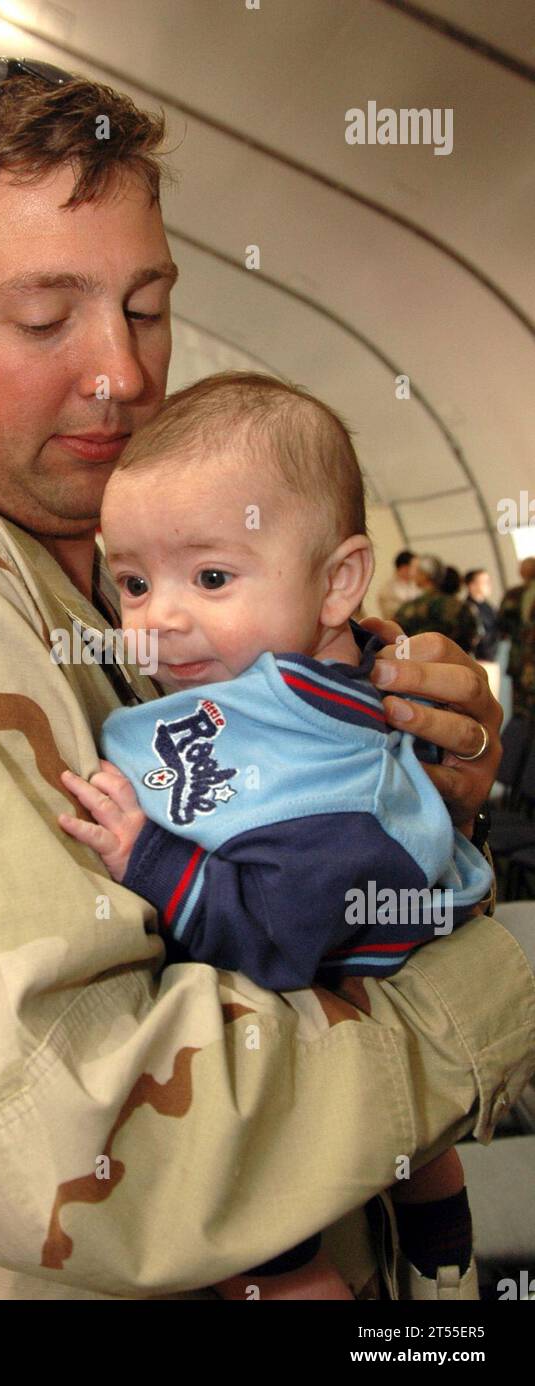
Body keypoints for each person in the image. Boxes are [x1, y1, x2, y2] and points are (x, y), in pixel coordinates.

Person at [0, 58, 533, 1302]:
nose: (120, 372)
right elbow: (68, 1140)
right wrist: (470, 992)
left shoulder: (104, 570)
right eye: (44, 319)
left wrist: (402, 791)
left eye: (144, 306)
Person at [58, 372, 491, 1300]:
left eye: (210, 577)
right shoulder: (319, 687)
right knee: (419, 1139)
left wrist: (149, 857)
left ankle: (401, 1267)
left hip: (309, 972)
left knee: (255, 1241)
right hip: (379, 1012)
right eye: (132, 582)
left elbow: (272, 933)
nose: (159, 617)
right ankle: (441, 1252)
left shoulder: (313, 781)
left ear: (338, 582)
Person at [396, 556, 478, 653]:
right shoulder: (459, 605)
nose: (414, 575)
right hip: (459, 661)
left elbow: (398, 635)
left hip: (424, 662)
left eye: (417, 571)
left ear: (425, 575)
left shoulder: (412, 607)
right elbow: (473, 635)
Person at [498, 557, 535, 720]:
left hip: (523, 658)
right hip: (520, 659)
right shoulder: (514, 594)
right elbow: (501, 624)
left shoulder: (514, 595)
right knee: (521, 710)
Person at [464, 570, 499, 663]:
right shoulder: (467, 609)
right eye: (484, 582)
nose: (489, 585)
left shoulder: (489, 607)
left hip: (492, 657)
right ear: (472, 586)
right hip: (479, 660)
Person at [377, 549, 419, 620]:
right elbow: (394, 615)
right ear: (404, 568)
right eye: (415, 567)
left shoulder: (418, 585)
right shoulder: (387, 591)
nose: (418, 570)